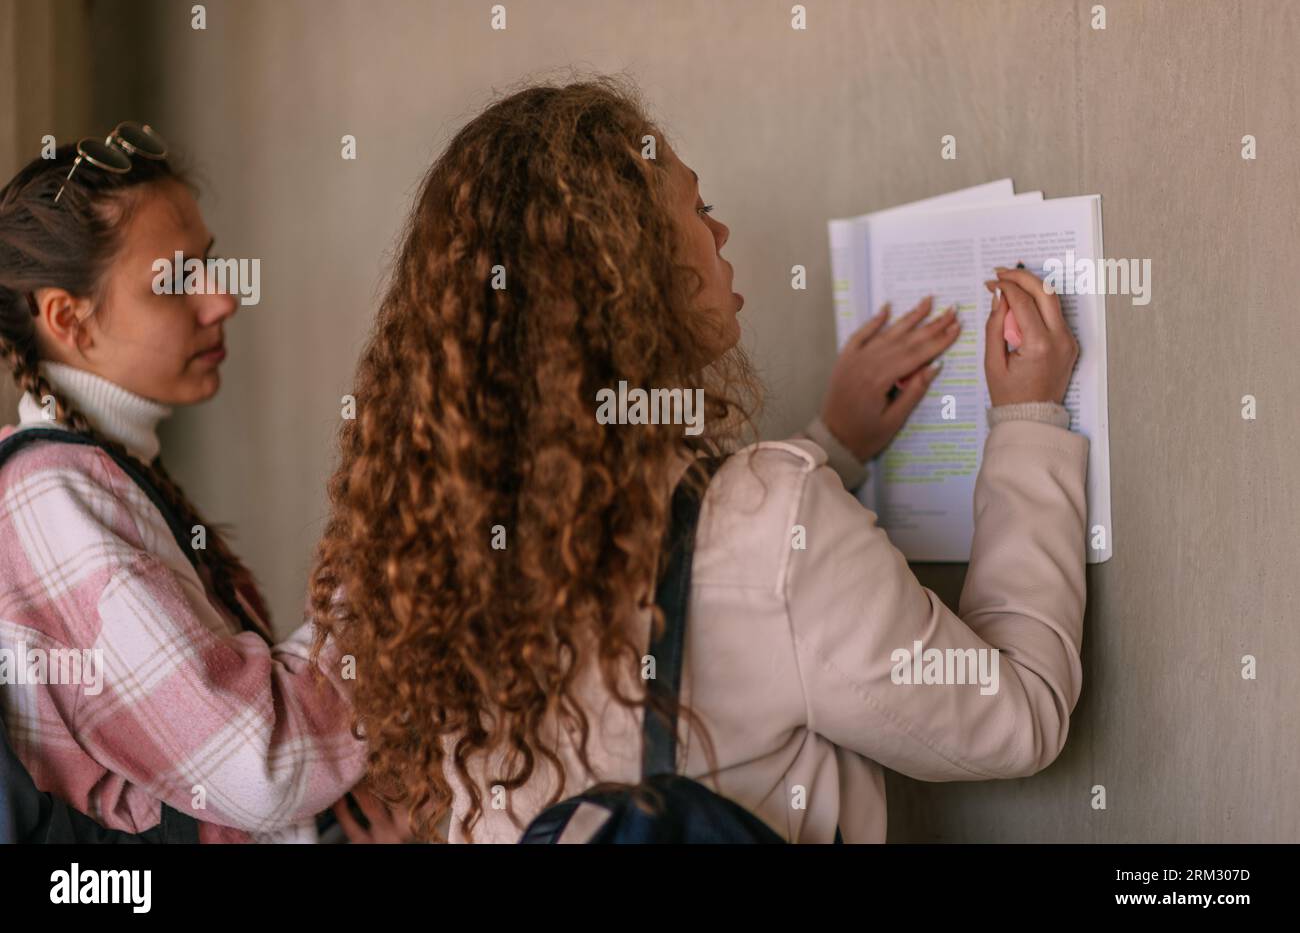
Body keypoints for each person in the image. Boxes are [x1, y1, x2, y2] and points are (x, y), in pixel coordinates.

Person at [307, 76, 1087, 844]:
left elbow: (703, 564)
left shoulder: (437, 546)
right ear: (625, 265)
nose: (720, 235)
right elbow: (1020, 716)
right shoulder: (771, 523)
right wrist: (1029, 421)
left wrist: (836, 443)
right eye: (699, 208)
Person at [0, 124, 373, 842]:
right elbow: (263, 767)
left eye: (209, 264)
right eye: (175, 280)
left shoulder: (97, 473)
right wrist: (394, 559)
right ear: (67, 319)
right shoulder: (55, 500)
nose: (221, 299)